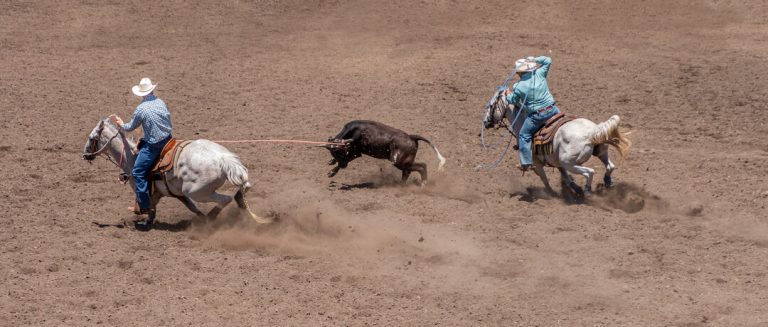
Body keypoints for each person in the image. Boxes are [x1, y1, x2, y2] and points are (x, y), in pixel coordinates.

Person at [109, 77, 173, 214]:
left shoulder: (141, 109)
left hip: (155, 144)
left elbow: (129, 127)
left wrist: (120, 123)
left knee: (137, 171)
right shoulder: (160, 102)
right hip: (168, 139)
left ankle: (144, 205)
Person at [504, 55, 560, 172]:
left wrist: (507, 94)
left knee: (524, 135)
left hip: (537, 115)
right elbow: (548, 60)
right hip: (553, 109)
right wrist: (534, 59)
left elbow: (513, 100)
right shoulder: (540, 73)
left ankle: (526, 162)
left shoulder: (518, 86)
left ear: (519, 72)